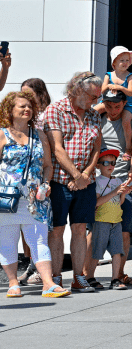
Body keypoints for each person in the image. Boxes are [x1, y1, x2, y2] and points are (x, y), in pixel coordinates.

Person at [0, 91, 69, 298]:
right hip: (7, 198)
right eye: (21, 106)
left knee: (39, 240)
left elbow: (47, 166)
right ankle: (13, 283)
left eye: (29, 106)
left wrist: (46, 183)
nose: (27, 109)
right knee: (7, 241)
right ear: (9, 110)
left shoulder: (39, 135)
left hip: (35, 199)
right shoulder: (2, 134)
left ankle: (48, 283)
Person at [44, 71, 104, 293]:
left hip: (86, 182)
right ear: (76, 90)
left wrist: (86, 174)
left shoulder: (94, 115)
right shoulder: (56, 110)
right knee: (57, 230)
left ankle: (79, 277)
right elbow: (57, 149)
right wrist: (75, 176)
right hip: (60, 181)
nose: (94, 101)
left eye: (97, 97)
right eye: (92, 96)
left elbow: (97, 147)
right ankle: (56, 277)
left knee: (80, 229)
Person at [96, 89, 132, 288]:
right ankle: (87, 276)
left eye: (118, 106)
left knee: (124, 232)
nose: (113, 110)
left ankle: (119, 275)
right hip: (99, 180)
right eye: (109, 106)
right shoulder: (97, 118)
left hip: (122, 179)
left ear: (125, 104)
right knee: (93, 230)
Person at [84, 147, 132, 289]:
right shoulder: (97, 182)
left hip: (116, 221)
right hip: (101, 221)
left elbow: (119, 202)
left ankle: (115, 279)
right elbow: (96, 203)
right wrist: (116, 191)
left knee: (117, 251)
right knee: (97, 252)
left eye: (113, 163)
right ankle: (89, 277)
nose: (111, 166)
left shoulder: (117, 181)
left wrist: (123, 193)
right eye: (106, 163)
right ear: (98, 165)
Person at [99, 46, 132, 149]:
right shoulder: (109, 75)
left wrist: (119, 87)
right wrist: (108, 86)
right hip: (110, 101)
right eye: (121, 60)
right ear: (114, 63)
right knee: (94, 111)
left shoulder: (130, 76)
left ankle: (128, 147)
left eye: (127, 60)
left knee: (125, 121)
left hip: (128, 104)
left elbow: (130, 92)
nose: (125, 62)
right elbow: (102, 90)